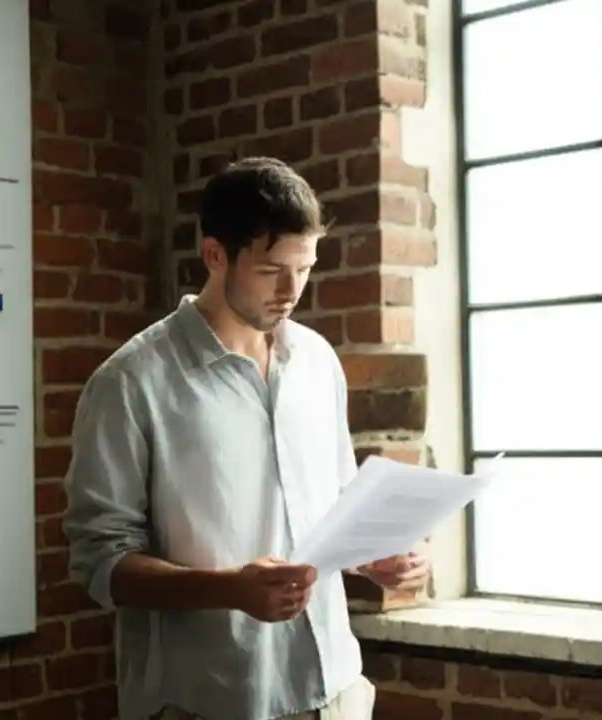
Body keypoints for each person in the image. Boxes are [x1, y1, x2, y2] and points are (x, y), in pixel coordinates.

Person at [62, 157, 431, 720]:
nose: (291, 290)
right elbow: (100, 562)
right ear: (216, 255)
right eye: (271, 270)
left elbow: (332, 507)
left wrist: (374, 555)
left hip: (335, 689)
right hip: (208, 699)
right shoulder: (131, 382)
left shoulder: (316, 361)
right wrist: (231, 589)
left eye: (304, 268)